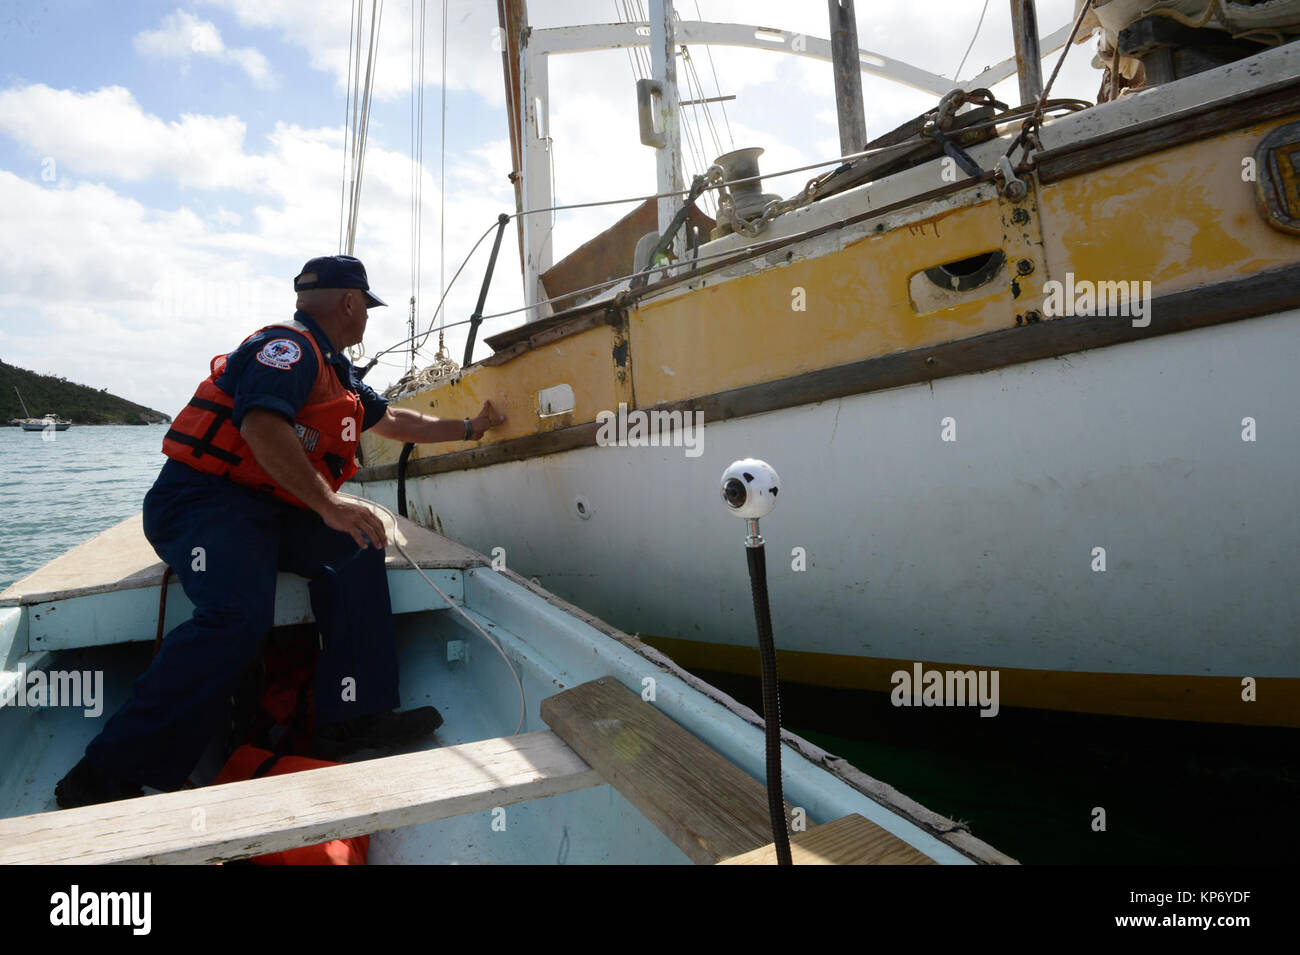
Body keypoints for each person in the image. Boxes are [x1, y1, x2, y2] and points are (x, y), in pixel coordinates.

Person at [55, 254, 505, 808]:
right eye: (366, 306)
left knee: (357, 545)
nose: (367, 318)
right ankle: (107, 770)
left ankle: (350, 716)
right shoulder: (286, 350)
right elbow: (260, 424)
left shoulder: (339, 375)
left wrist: (470, 428)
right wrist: (328, 502)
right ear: (349, 302)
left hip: (271, 507)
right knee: (236, 617)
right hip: (203, 503)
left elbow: (395, 422)